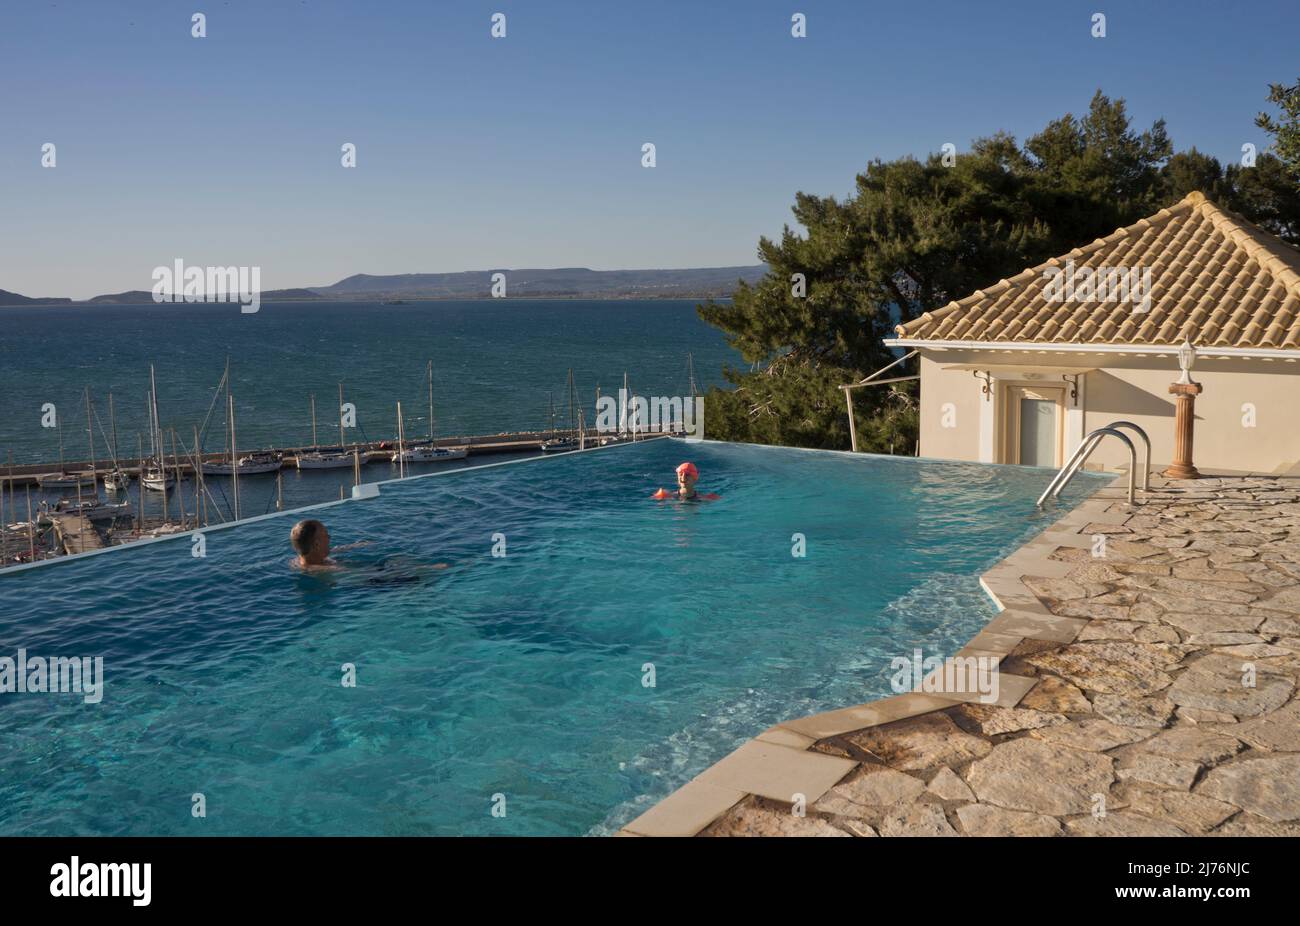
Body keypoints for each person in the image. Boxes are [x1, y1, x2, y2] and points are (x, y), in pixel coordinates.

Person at [652, 461, 720, 501]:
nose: (683, 478)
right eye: (680, 474)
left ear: (695, 478)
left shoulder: (705, 499)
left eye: (687, 475)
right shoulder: (665, 496)